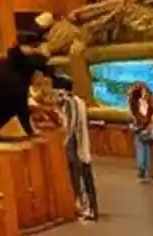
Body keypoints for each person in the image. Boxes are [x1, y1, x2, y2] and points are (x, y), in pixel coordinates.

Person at [55, 76, 98, 221]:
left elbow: (71, 124)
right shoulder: (79, 101)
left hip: (75, 144)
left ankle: (87, 207)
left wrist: (65, 140)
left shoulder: (69, 102)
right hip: (81, 143)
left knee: (79, 174)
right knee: (86, 175)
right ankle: (91, 207)